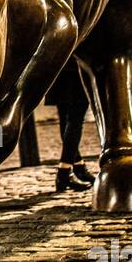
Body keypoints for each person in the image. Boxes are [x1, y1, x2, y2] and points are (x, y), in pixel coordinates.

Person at [45, 62, 93, 191]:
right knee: (75, 120)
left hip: (59, 67)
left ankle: (78, 167)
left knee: (66, 120)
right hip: (76, 69)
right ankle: (64, 172)